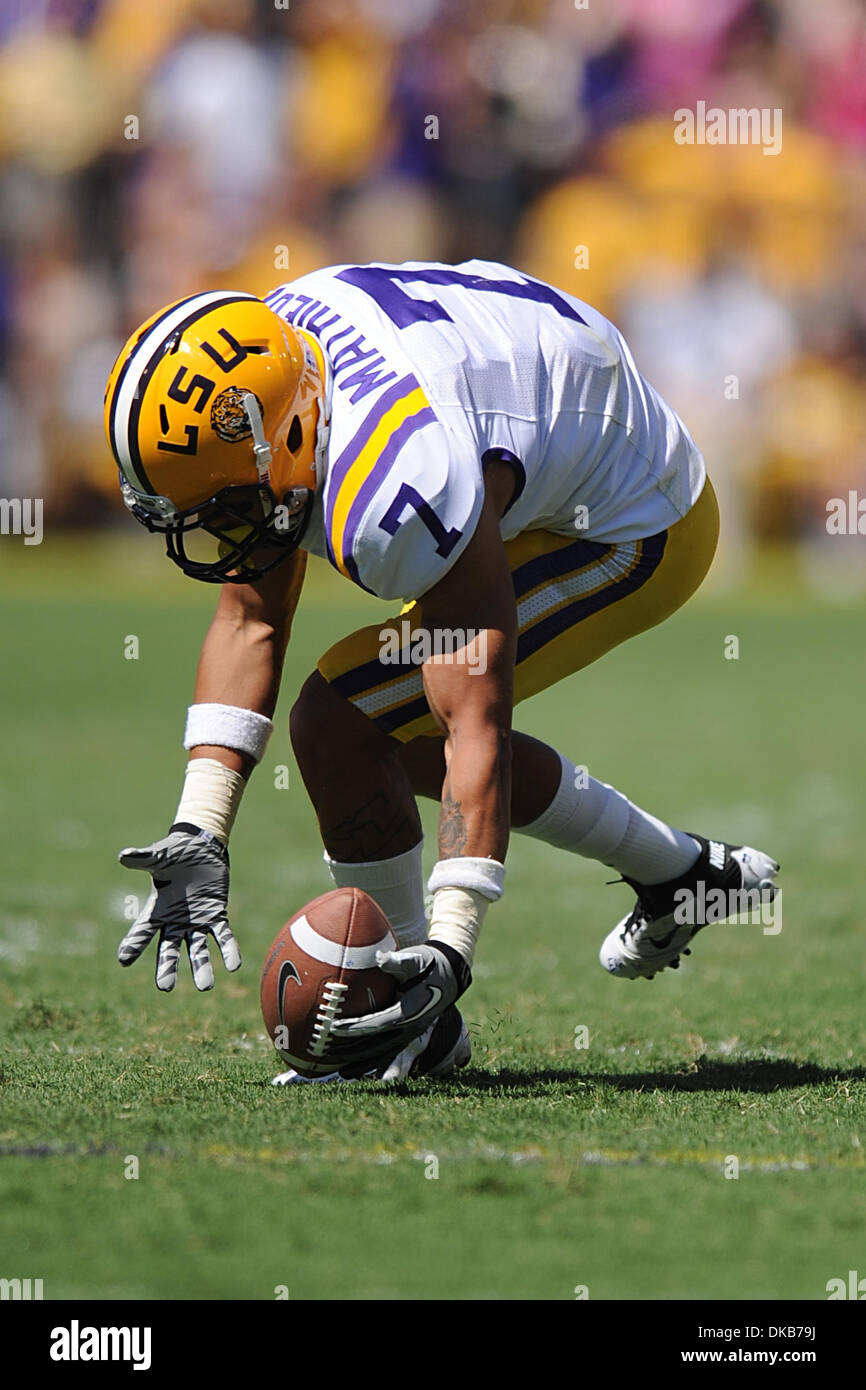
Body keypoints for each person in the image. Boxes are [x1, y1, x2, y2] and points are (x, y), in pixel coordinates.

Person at [104, 259, 778, 1083]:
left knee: (345, 722)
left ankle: (414, 1024)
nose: (220, 536)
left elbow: (474, 721)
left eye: (229, 509)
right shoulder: (278, 370)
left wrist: (450, 943)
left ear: (287, 435)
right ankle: (682, 874)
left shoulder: (400, 479)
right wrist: (198, 828)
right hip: (529, 422)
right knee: (386, 731)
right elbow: (250, 618)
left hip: (633, 523)